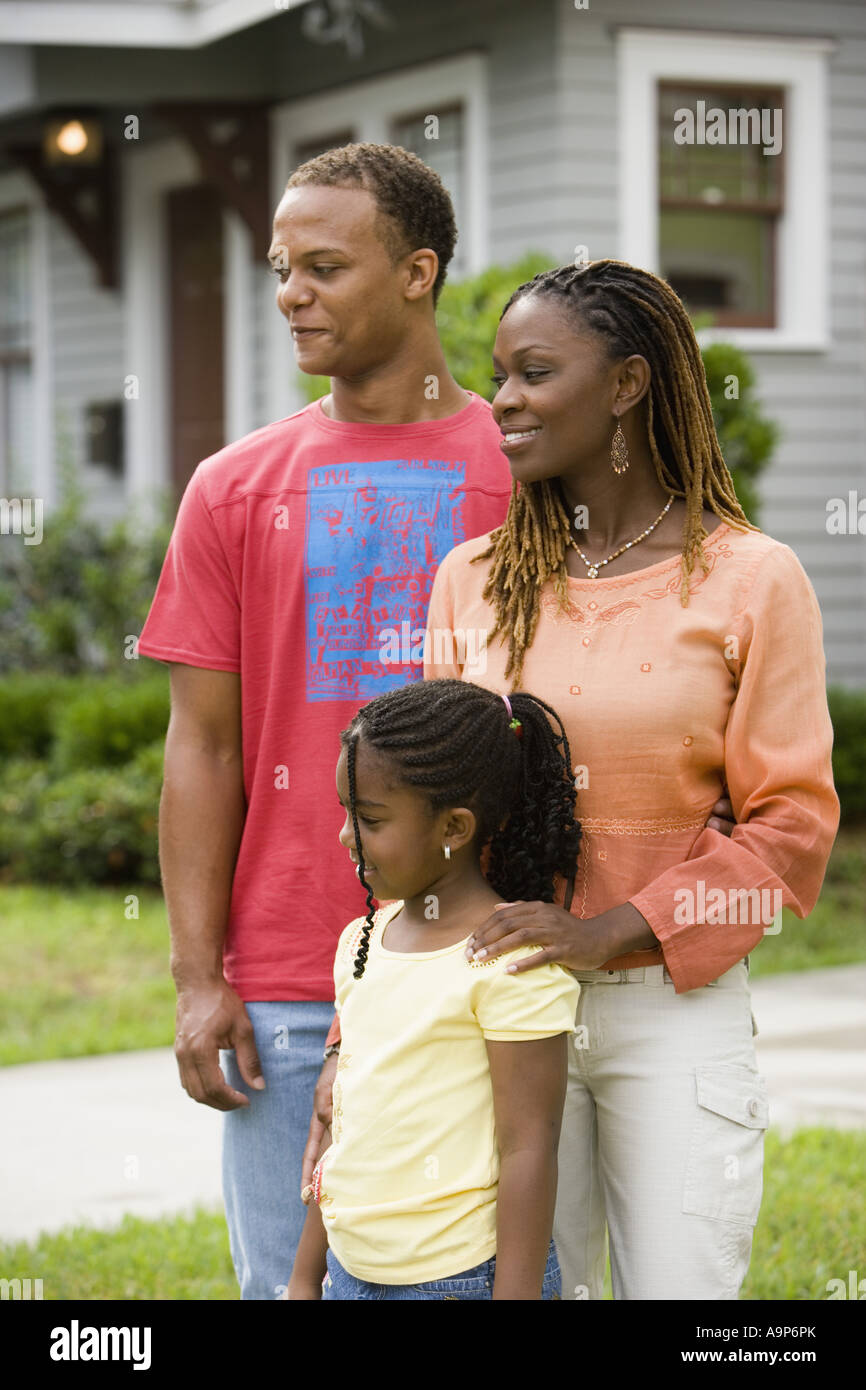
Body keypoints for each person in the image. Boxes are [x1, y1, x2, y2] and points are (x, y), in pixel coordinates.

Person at [136, 143, 516, 1299]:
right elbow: (201, 746)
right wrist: (201, 975)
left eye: (322, 266)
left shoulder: (527, 467)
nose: (291, 291)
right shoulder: (233, 485)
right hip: (295, 980)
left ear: (416, 272)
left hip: (496, 962)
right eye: (280, 268)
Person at [419, 259, 840, 1300]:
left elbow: (788, 834)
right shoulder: (469, 581)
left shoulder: (749, 578)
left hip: (670, 1005)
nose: (501, 401)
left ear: (626, 384)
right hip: (503, 1000)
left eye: (533, 373)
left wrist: (605, 933)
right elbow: (424, 821)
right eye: (497, 376)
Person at [288, 678, 581, 1300]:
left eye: (367, 819)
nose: (346, 836)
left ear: (454, 826)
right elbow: (343, 1125)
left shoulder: (511, 963)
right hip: (349, 1274)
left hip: (458, 1282)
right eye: (347, 813)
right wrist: (303, 1276)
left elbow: (529, 1147)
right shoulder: (360, 941)